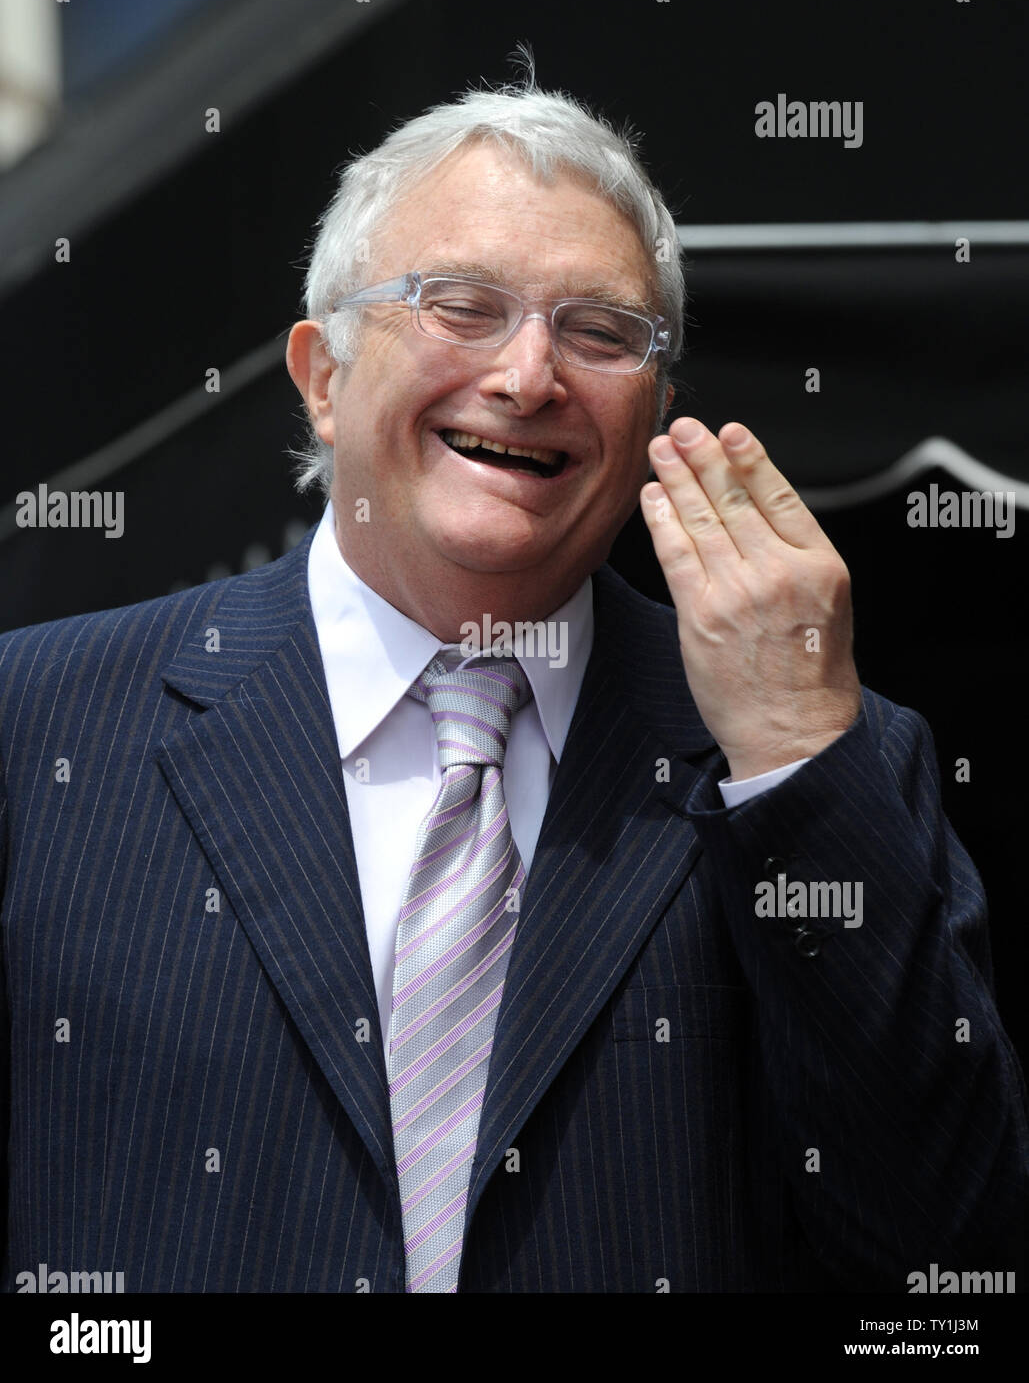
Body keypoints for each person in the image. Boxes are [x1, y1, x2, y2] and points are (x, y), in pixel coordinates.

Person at [1, 72, 1026, 1296]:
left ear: (656, 409)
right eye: (463, 306)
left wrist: (797, 756)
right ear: (322, 377)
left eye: (599, 332)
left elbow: (941, 1255)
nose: (529, 375)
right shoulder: (39, 726)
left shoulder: (808, 757)